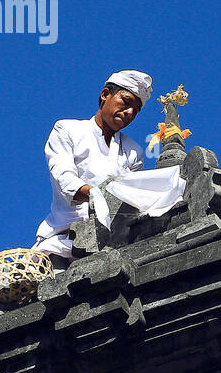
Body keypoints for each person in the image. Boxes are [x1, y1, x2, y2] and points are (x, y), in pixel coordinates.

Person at [32, 70, 153, 270]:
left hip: (113, 240)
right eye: (126, 102)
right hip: (63, 240)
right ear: (105, 94)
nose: (130, 113)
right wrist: (93, 194)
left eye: (136, 110)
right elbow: (63, 177)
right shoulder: (67, 130)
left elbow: (135, 195)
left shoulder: (133, 152)